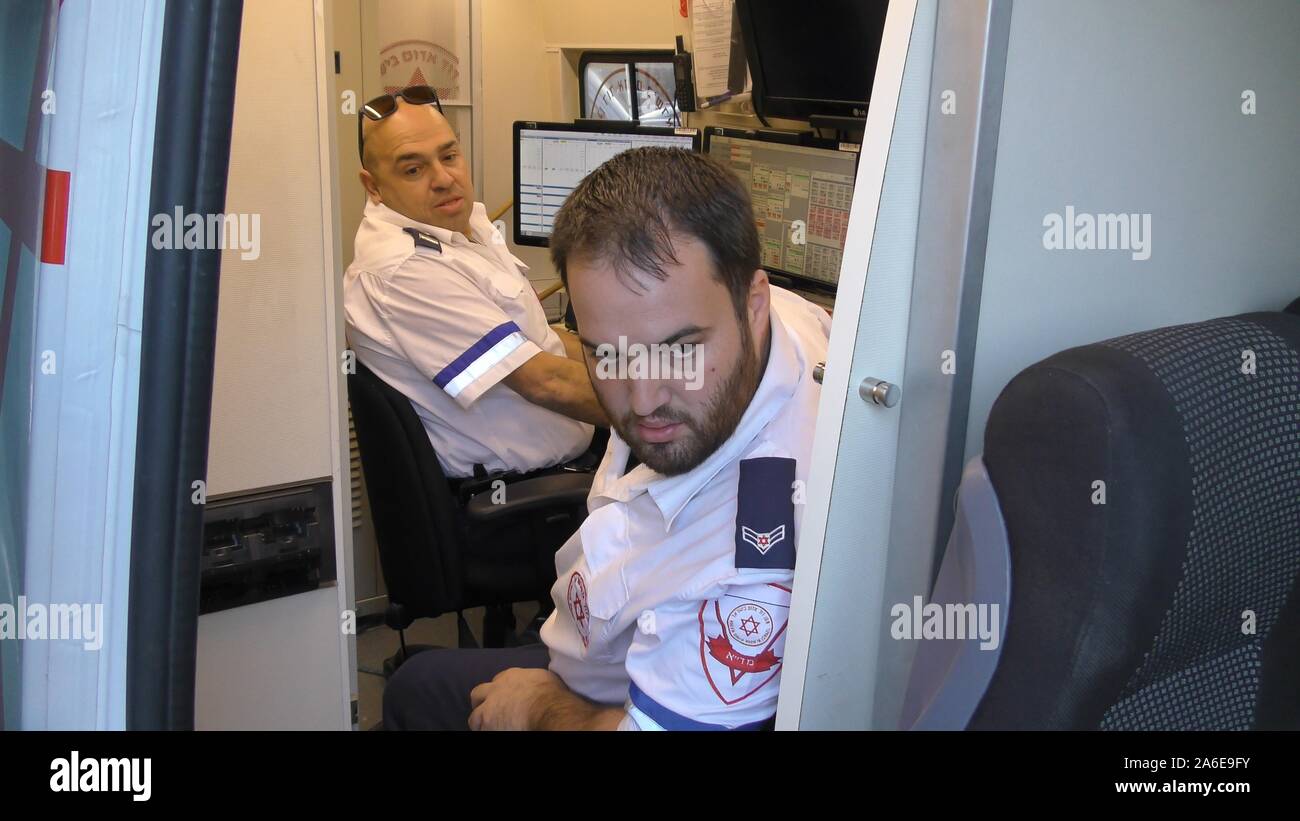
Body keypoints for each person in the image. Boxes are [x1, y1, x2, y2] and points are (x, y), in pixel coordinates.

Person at [382, 147, 832, 730]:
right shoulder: (786, 318)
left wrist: (543, 709)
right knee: (415, 686)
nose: (642, 403)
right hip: (594, 636)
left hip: (624, 694)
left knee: (417, 695)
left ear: (753, 302)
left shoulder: (749, 565)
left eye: (678, 348)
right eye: (607, 354)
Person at [343, 86, 606, 479]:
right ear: (373, 186)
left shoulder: (459, 225)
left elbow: (539, 339)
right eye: (413, 169)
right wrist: (678, 407)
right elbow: (544, 382)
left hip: (571, 464)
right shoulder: (403, 271)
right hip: (531, 497)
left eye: (449, 156)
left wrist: (627, 360)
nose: (444, 179)